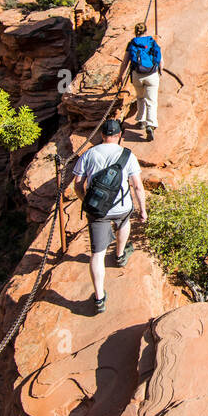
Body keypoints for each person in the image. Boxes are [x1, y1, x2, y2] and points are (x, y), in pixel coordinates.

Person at [73, 118, 146, 313]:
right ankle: (120, 255)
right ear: (120, 135)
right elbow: (137, 186)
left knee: (97, 254)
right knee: (123, 223)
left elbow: (78, 184)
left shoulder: (89, 154)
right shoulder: (127, 155)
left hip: (98, 209)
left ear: (102, 135)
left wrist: (85, 201)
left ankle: (99, 298)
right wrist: (143, 209)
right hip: (121, 206)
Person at [121, 21, 163, 141]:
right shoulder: (151, 42)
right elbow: (160, 59)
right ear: (146, 31)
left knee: (140, 97)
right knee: (151, 101)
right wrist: (161, 71)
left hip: (137, 75)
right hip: (151, 74)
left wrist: (120, 75)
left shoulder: (132, 44)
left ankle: (141, 120)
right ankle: (151, 124)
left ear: (135, 31)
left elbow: (125, 62)